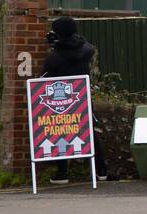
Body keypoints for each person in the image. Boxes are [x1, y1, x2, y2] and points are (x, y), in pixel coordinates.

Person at [43, 16, 108, 184]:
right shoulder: (85, 50)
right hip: (82, 97)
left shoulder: (55, 57)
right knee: (89, 133)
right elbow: (78, 46)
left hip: (61, 102)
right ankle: (101, 171)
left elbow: (43, 76)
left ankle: (62, 172)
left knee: (59, 131)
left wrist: (54, 46)